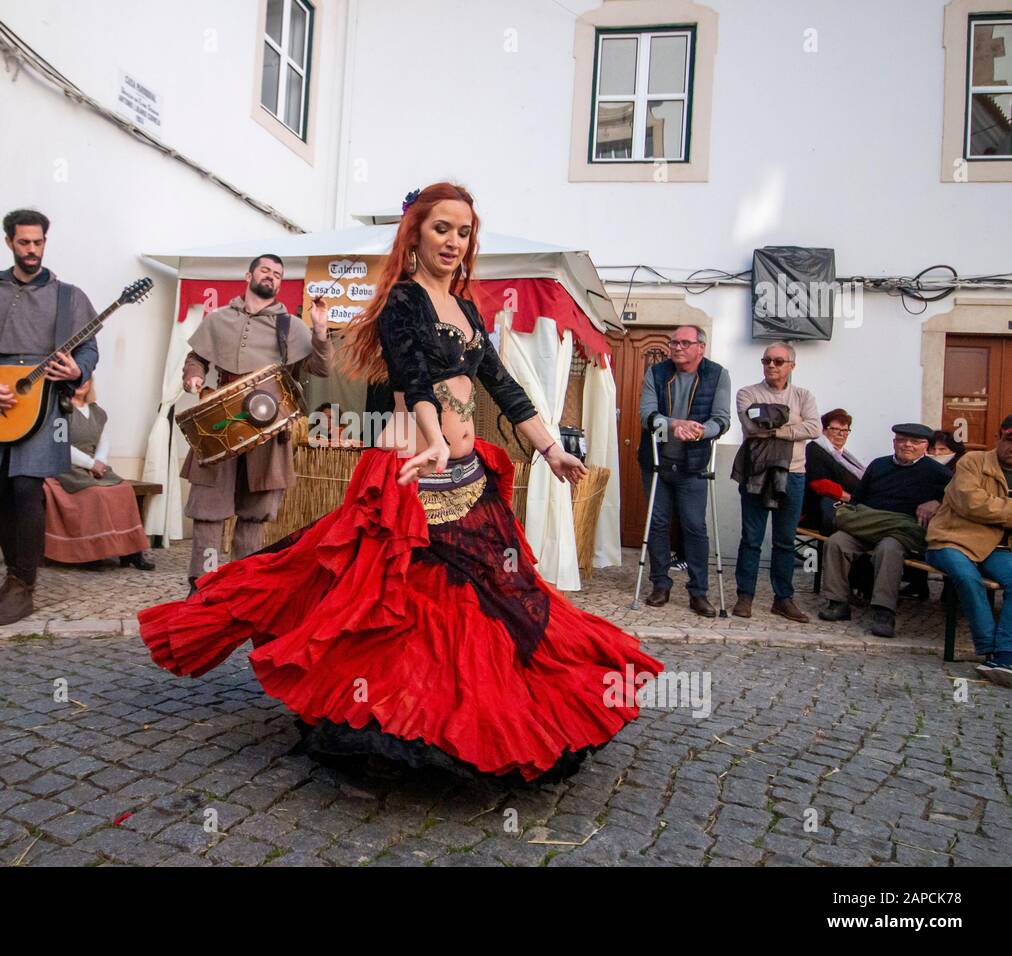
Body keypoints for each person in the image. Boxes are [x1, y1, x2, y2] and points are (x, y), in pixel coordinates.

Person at [139, 183, 662, 782]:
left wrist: (548, 448)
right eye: (442, 228)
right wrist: (434, 436)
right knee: (401, 601)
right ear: (415, 233)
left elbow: (501, 384)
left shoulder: (466, 310)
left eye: (464, 232)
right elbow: (413, 378)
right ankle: (392, 714)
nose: (454, 242)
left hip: (463, 471)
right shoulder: (401, 302)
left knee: (481, 600)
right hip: (415, 469)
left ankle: (470, 707)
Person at [0, 209, 98, 626]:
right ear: (8, 242)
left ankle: (24, 588)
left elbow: (88, 351)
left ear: (45, 242)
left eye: (38, 243)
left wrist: (77, 370)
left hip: (43, 400)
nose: (31, 250)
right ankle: (13, 580)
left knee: (27, 489)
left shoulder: (69, 296)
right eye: (23, 243)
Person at [179, 254, 333, 593]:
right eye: (265, 270)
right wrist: (194, 378)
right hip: (220, 424)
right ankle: (201, 584)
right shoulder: (218, 319)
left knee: (255, 513)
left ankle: (243, 585)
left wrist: (320, 331)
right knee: (208, 509)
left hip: (268, 427)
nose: (271, 277)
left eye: (278, 274)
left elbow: (320, 369)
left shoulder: (290, 327)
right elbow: (197, 358)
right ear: (249, 274)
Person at [817, 423, 951, 637]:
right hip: (867, 526)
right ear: (894, 442)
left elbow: (955, 499)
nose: (907, 445)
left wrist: (937, 501)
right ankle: (838, 602)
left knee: (888, 550)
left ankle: (884, 611)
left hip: (899, 533)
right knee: (837, 542)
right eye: (901, 440)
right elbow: (859, 499)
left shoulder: (938, 472)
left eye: (915, 442)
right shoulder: (878, 465)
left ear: (925, 446)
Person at [637, 324, 731, 617]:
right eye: (673, 342)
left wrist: (701, 431)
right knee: (658, 523)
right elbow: (647, 416)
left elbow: (722, 419)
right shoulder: (657, 372)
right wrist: (676, 424)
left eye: (684, 343)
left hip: (694, 464)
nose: (677, 347)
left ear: (700, 347)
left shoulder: (717, 375)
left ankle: (699, 592)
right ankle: (660, 584)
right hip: (658, 461)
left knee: (694, 525)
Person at [732, 342, 821, 622]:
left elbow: (815, 428)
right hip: (756, 470)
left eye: (778, 361)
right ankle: (744, 596)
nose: (771, 365)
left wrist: (774, 429)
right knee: (751, 538)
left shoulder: (804, 396)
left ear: (791, 366)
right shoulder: (747, 393)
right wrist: (790, 427)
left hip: (793, 473)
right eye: (767, 360)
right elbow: (751, 426)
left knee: (784, 540)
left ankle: (783, 599)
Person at [926, 414, 1012, 686]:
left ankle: (1005, 654)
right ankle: (990, 649)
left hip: (995, 547)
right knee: (967, 578)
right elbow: (971, 502)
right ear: (999, 437)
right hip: (952, 539)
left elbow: (986, 506)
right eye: (1010, 440)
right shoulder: (972, 461)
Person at [42, 377, 154, 570]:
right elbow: (60, 446)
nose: (81, 383)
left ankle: (131, 552)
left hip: (94, 465)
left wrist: (100, 462)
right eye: (76, 380)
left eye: (85, 378)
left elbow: (104, 440)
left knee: (124, 489)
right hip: (66, 467)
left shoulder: (98, 412)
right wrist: (90, 464)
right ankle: (91, 553)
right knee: (96, 493)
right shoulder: (59, 411)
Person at [802, 408, 866, 535]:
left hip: (847, 510)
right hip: (819, 513)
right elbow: (820, 485)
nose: (841, 434)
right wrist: (855, 500)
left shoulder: (844, 455)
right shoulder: (814, 450)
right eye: (836, 429)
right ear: (824, 430)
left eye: (845, 430)